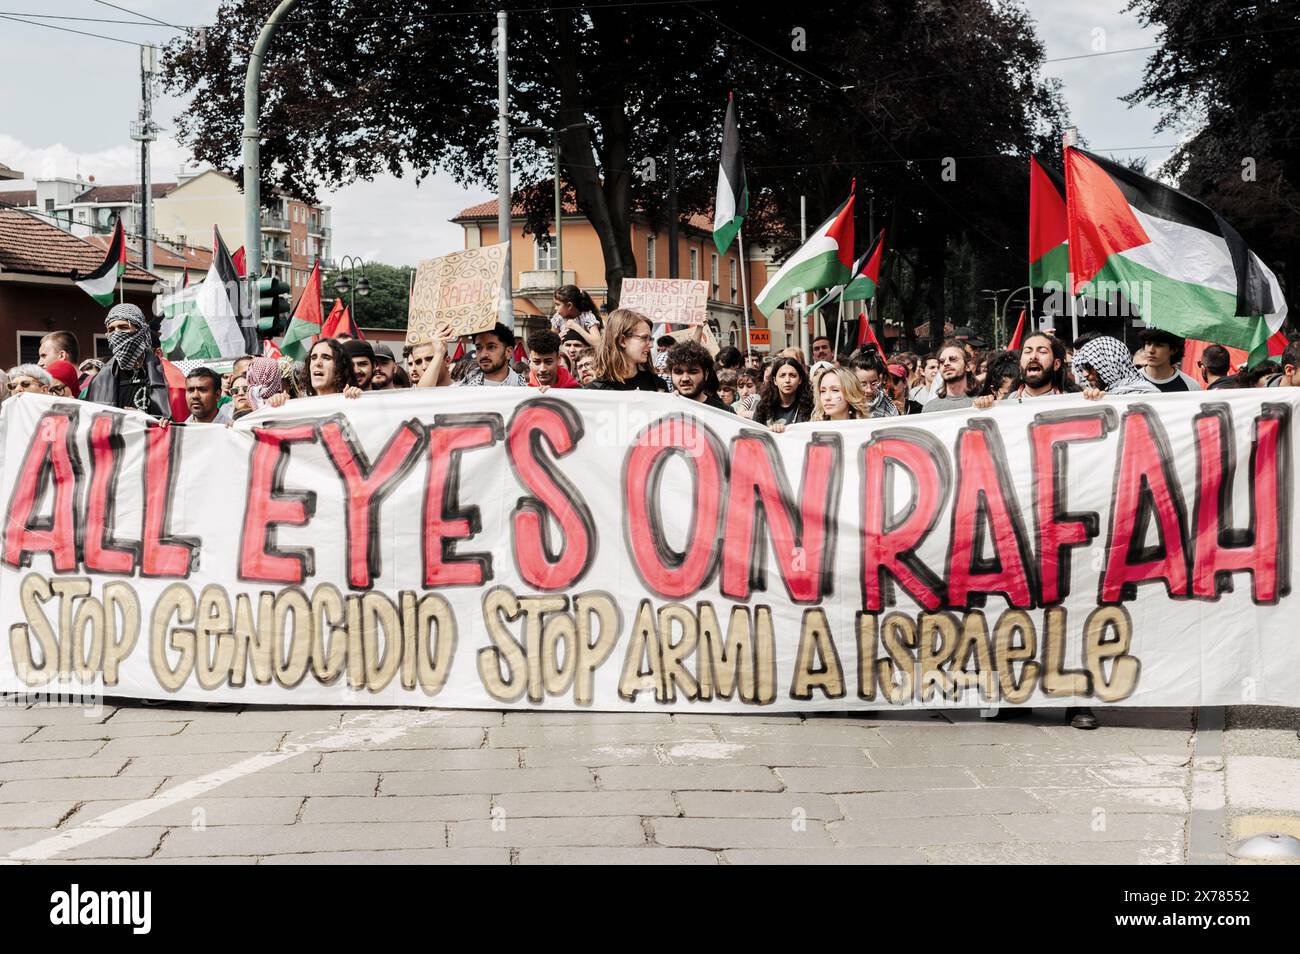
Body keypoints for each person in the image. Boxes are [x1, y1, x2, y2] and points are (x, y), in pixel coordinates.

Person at [84, 303, 173, 417]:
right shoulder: (99, 381)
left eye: (123, 327)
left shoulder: (166, 374)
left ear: (140, 330)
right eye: (111, 329)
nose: (116, 333)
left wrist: (144, 419)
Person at [585, 309, 668, 392]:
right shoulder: (594, 392)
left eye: (650, 339)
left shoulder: (657, 385)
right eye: (644, 338)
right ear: (622, 340)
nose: (651, 345)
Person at [1071, 336, 1160, 396]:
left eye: (1089, 366)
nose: (1085, 374)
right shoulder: (1099, 395)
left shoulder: (1147, 393)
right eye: (1082, 368)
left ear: (1110, 363)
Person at [667, 340, 734, 412]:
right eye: (678, 372)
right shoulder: (662, 409)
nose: (685, 378)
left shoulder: (724, 412)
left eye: (692, 372)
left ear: (706, 374)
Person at [453, 323, 527, 387]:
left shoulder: (524, 391)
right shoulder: (463, 389)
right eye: (478, 348)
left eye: (491, 347)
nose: (483, 355)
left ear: (508, 352)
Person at [753, 356, 813, 431]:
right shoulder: (763, 406)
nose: (787, 380)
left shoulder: (810, 406)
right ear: (775, 380)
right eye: (782, 376)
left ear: (800, 380)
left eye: (792, 375)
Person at [921, 339, 978, 413]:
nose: (946, 363)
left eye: (953, 359)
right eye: (942, 361)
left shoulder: (981, 403)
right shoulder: (929, 408)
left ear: (967, 366)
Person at [848, 350, 899, 417]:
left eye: (873, 383)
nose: (869, 390)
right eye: (863, 384)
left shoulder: (890, 408)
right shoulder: (844, 406)